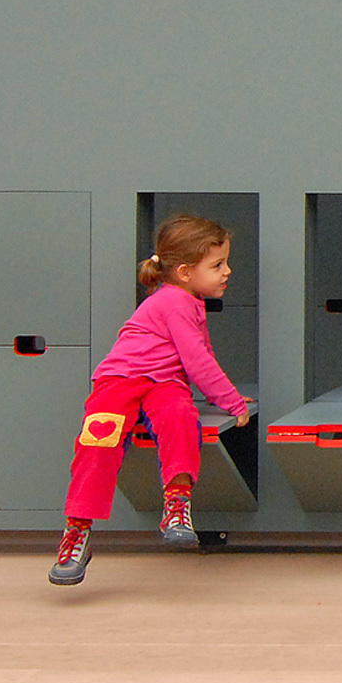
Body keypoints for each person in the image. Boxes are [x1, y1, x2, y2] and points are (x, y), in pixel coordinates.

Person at [50, 215, 256, 586]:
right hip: (121, 380)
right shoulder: (175, 301)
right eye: (217, 265)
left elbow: (201, 351)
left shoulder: (188, 299)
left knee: (179, 416)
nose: (228, 271)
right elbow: (197, 361)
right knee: (99, 440)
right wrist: (232, 403)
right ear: (183, 271)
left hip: (164, 383)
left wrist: (227, 392)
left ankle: (177, 504)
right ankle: (77, 530)